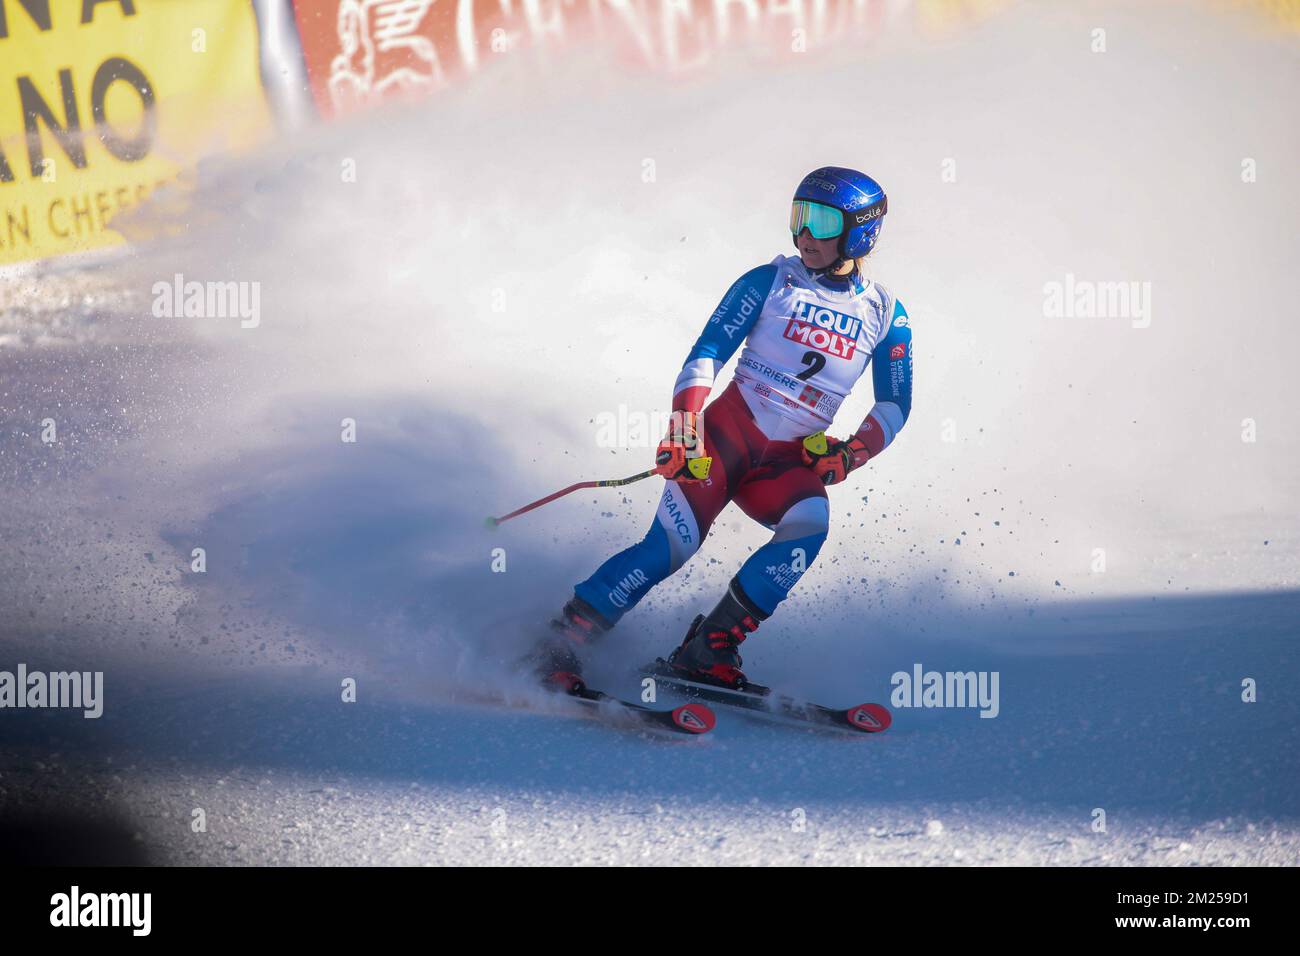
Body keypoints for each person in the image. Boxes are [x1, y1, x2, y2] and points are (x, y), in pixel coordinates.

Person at [533, 166, 913, 691]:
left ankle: (708, 647)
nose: (805, 234)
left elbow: (895, 404)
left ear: (860, 231)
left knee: (808, 529)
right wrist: (684, 429)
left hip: (784, 464)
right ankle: (559, 642)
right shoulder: (770, 280)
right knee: (673, 545)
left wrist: (852, 454)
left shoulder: (886, 313)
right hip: (723, 441)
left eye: (822, 221)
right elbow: (707, 355)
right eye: (799, 217)